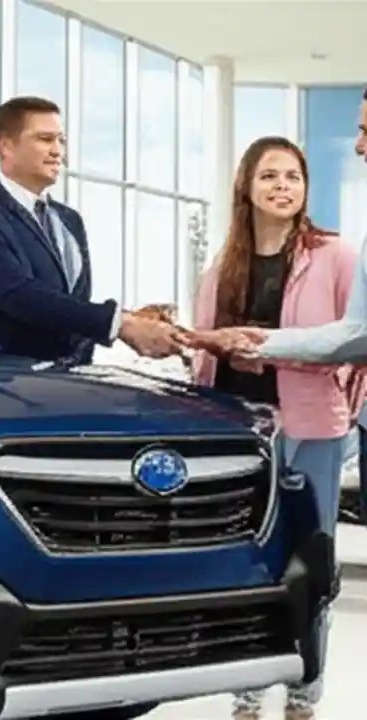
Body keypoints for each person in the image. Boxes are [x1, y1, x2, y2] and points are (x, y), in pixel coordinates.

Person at [187, 135, 360, 720]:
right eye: (269, 176)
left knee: (310, 564)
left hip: (312, 431)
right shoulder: (222, 266)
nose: (283, 186)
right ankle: (246, 691)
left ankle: (304, 694)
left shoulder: (335, 256)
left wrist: (343, 403)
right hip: (240, 438)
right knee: (246, 564)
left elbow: (354, 344)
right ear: (247, 187)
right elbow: (205, 355)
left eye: (293, 176)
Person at [0, 95, 184, 364]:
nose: (58, 151)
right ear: (5, 147)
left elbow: (65, 303)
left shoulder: (69, 220)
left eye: (62, 140)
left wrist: (133, 319)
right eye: (45, 139)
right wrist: (119, 323)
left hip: (71, 380)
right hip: (7, 384)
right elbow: (20, 296)